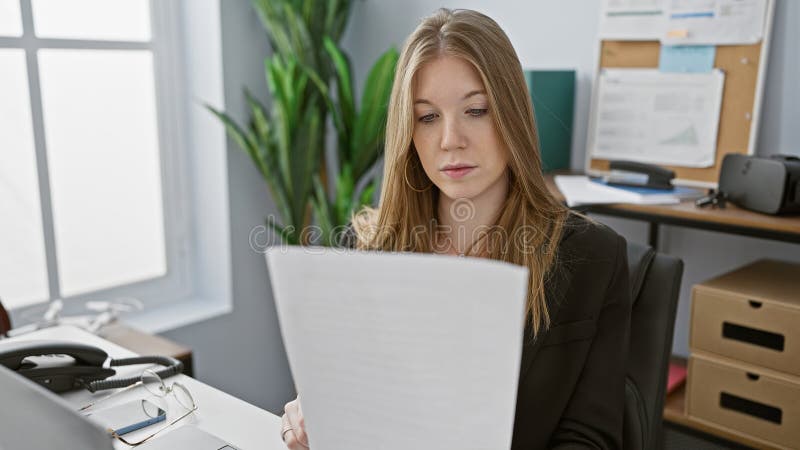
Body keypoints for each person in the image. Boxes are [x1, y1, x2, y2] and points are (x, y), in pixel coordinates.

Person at [281, 8, 631, 450]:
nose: (450, 139)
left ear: (512, 114)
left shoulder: (593, 258)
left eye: (476, 110)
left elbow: (591, 439)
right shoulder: (363, 249)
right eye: (427, 117)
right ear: (409, 132)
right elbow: (344, 395)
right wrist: (313, 416)